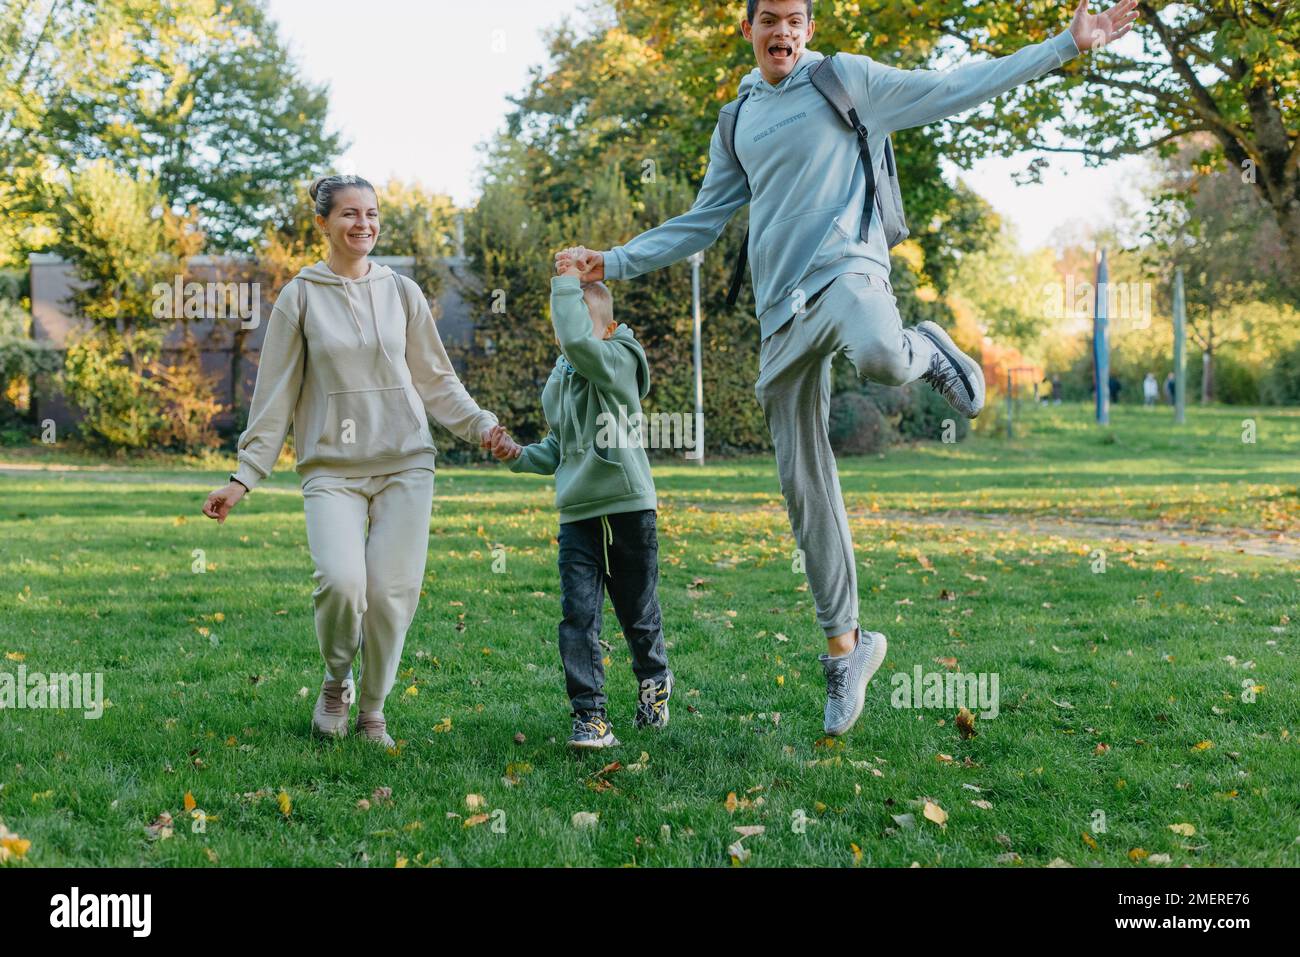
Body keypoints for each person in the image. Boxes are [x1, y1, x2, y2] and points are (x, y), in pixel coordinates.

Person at [558, 0, 1137, 736]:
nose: (783, 31)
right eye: (769, 18)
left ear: (809, 29)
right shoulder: (736, 120)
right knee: (806, 489)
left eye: (796, 18)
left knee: (884, 355)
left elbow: (954, 85)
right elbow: (701, 223)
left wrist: (1064, 44)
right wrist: (614, 259)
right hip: (781, 314)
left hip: (851, 274)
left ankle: (926, 346)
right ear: (749, 30)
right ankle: (845, 648)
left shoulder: (848, 81)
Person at [201, 174, 503, 748]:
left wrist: (482, 426)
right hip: (331, 469)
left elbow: (436, 380)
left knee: (392, 593)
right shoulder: (301, 295)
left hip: (405, 462)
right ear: (322, 224)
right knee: (341, 583)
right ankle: (336, 682)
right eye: (348, 214)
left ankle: (372, 711)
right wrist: (245, 476)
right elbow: (275, 394)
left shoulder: (403, 292)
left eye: (371, 213)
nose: (362, 224)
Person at [486, 248, 671, 749]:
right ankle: (590, 716)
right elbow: (556, 449)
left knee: (637, 612)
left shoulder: (617, 360)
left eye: (577, 327)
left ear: (606, 331)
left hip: (628, 508)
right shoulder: (562, 376)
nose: (567, 341)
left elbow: (579, 343)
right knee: (578, 616)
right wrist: (515, 454)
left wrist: (566, 280)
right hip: (578, 516)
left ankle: (654, 678)